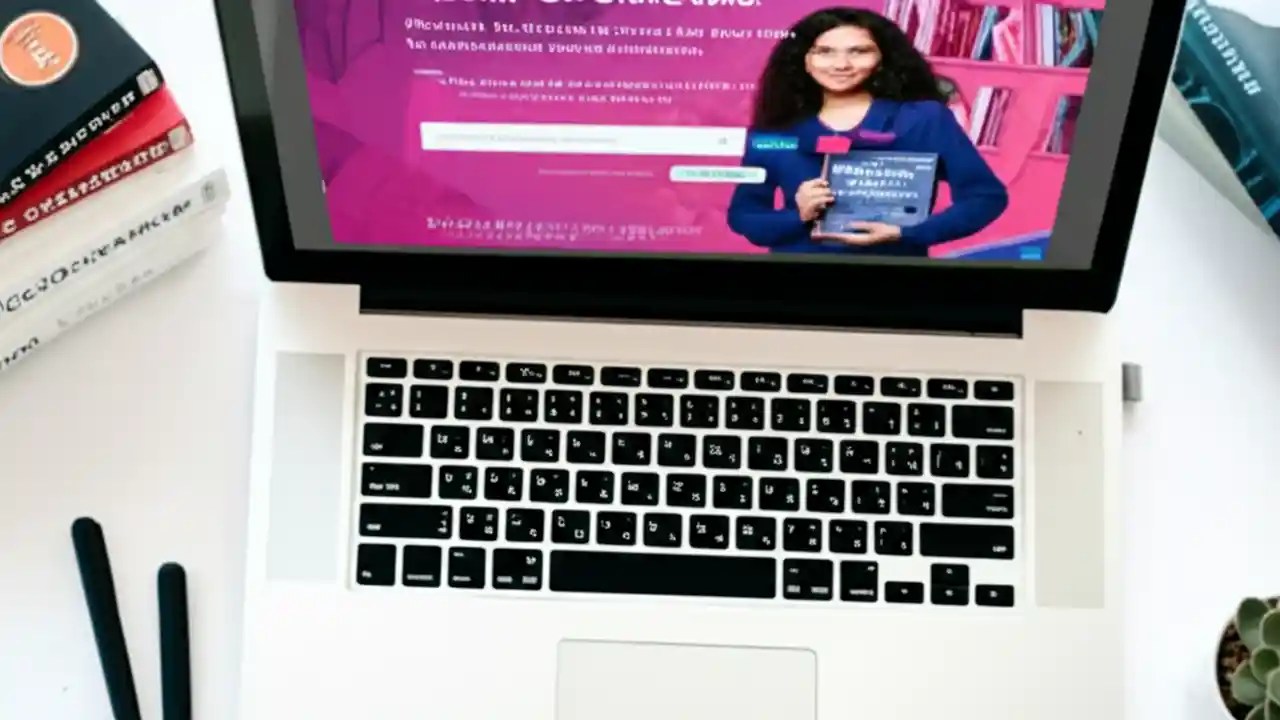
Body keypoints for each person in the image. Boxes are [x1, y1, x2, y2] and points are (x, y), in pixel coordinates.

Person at [726, 7, 1009, 256]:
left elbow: (985, 197)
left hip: (895, 281)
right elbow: (744, 216)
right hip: (797, 283)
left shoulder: (925, 119)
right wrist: (797, 216)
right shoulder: (774, 131)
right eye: (824, 52)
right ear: (804, 61)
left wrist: (907, 233)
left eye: (859, 51)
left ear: (882, 59)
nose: (841, 65)